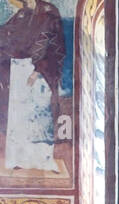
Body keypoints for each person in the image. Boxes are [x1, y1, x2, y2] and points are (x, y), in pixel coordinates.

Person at [0, 0, 66, 173]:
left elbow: (56, 47)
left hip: (40, 72)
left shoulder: (49, 12)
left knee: (41, 117)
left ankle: (44, 160)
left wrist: (38, 71)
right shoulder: (21, 14)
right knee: (18, 117)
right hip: (18, 69)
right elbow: (7, 37)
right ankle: (18, 159)